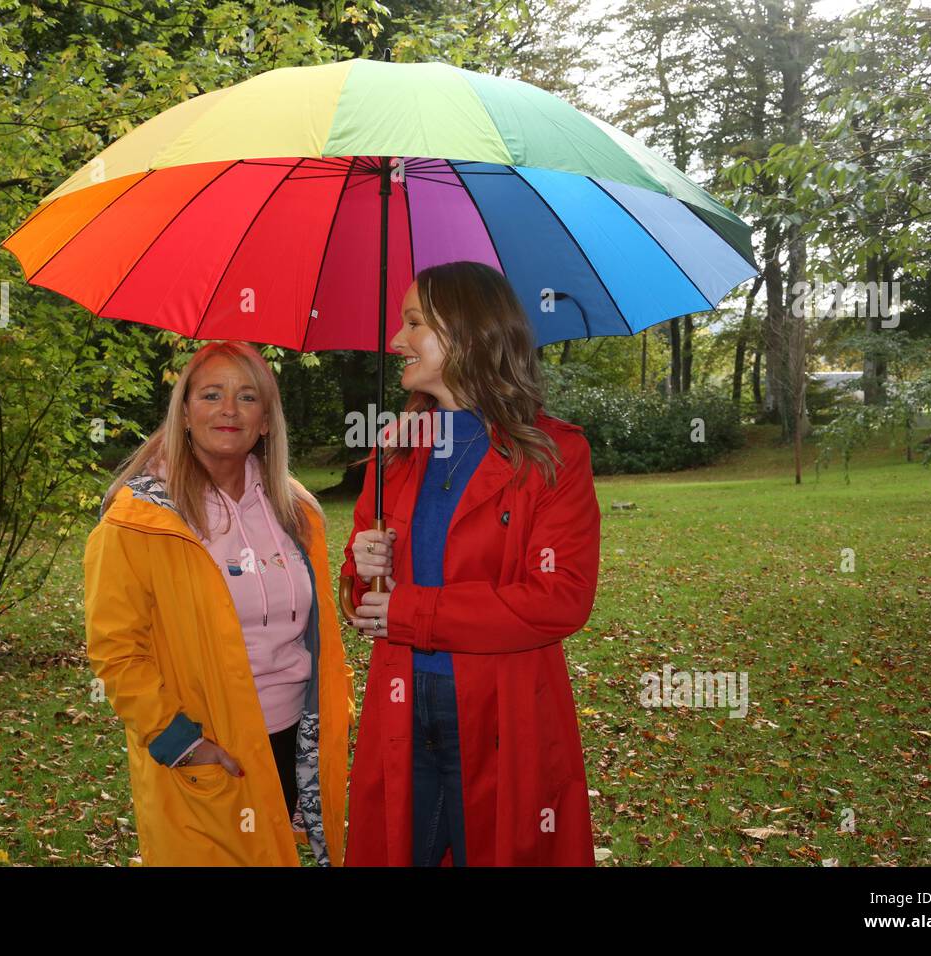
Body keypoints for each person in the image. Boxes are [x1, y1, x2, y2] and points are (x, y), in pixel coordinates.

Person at [340, 260, 601, 866]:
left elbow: (560, 597)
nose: (395, 340)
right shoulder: (396, 448)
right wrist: (361, 568)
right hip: (402, 707)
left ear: (466, 332)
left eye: (413, 323)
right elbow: (362, 601)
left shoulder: (554, 453)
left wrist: (411, 611)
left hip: (502, 714)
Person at [85, 341, 354, 866]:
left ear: (268, 421)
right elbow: (115, 652)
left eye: (247, 396)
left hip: (295, 744)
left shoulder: (298, 511)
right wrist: (179, 741)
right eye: (211, 394)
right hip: (210, 749)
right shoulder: (138, 519)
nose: (229, 409)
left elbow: (318, 629)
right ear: (184, 412)